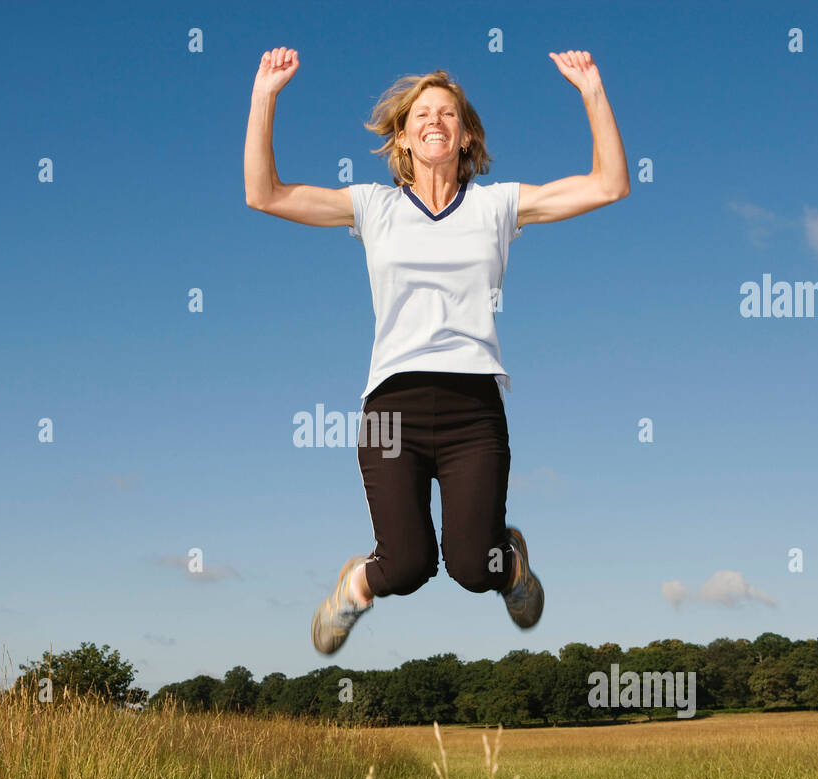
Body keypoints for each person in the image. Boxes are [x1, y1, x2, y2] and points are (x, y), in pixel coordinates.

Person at [244, 47, 630, 655]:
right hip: (391, 408)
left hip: (472, 406)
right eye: (421, 113)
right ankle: (353, 587)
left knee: (474, 567)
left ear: (465, 134)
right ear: (401, 137)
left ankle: (512, 565)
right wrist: (264, 96)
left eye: (448, 113)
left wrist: (592, 91)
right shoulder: (374, 208)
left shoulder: (496, 206)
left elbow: (609, 185)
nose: (434, 120)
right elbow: (264, 194)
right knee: (405, 566)